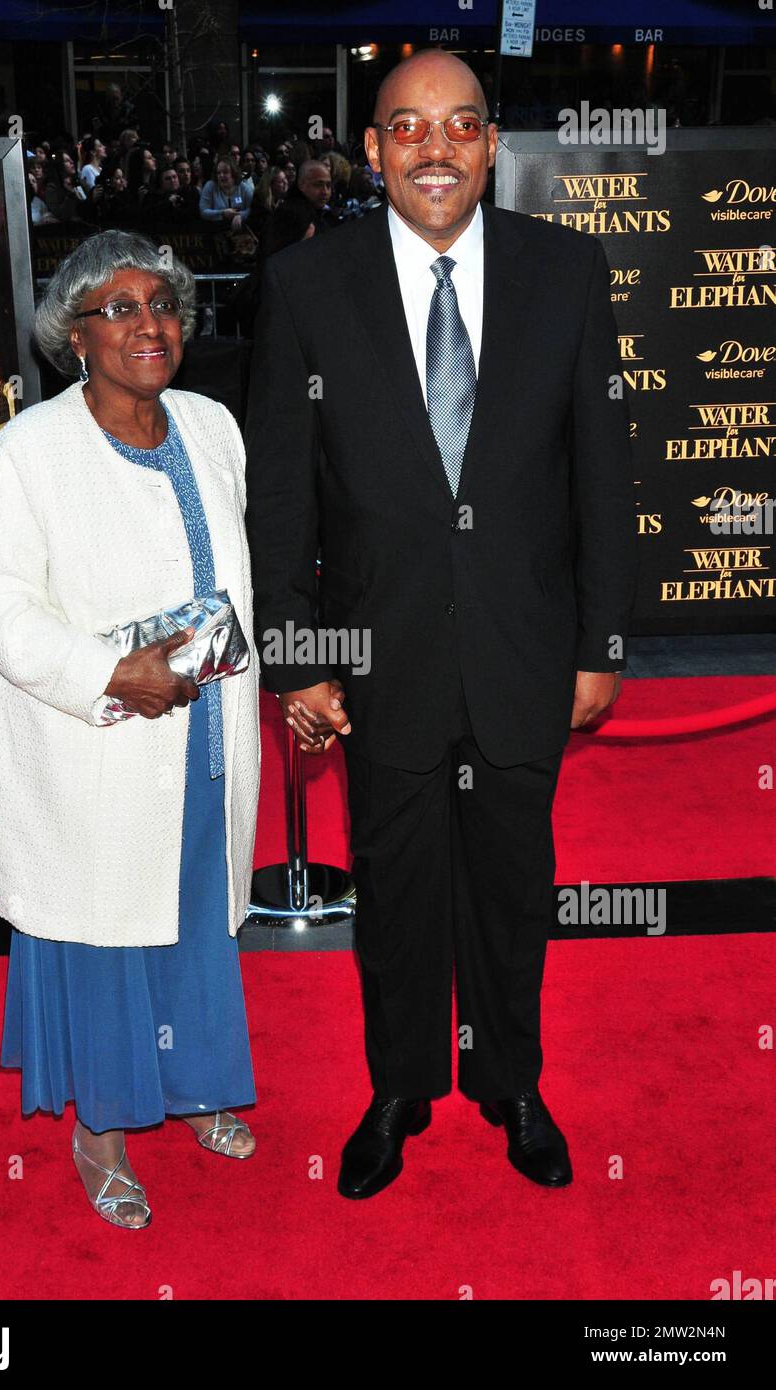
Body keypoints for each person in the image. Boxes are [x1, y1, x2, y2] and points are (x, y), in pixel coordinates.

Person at [244, 49, 637, 1200]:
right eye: (407, 127)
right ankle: (401, 1086)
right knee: (398, 890)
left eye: (461, 125)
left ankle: (511, 1083)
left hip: (524, 651)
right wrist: (298, 654)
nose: (435, 146)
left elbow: (601, 477)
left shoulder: (566, 273)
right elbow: (282, 493)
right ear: (372, 149)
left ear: (490, 144)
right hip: (378, 659)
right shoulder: (308, 287)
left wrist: (599, 642)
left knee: (518, 888)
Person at [0, 230, 262, 1230]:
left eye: (162, 305)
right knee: (104, 931)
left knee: (192, 913)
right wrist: (106, 672)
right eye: (118, 309)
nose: (148, 324)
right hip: (95, 741)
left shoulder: (214, 425)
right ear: (73, 336)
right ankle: (104, 1132)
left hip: (208, 736)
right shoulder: (33, 446)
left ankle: (197, 1082)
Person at [199, 157, 252, 229]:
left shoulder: (243, 188)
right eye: (218, 173)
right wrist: (222, 213)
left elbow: (252, 208)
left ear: (234, 173)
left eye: (225, 172)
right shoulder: (210, 186)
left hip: (239, 231)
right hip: (215, 230)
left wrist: (241, 215)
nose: (221, 175)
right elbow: (203, 211)